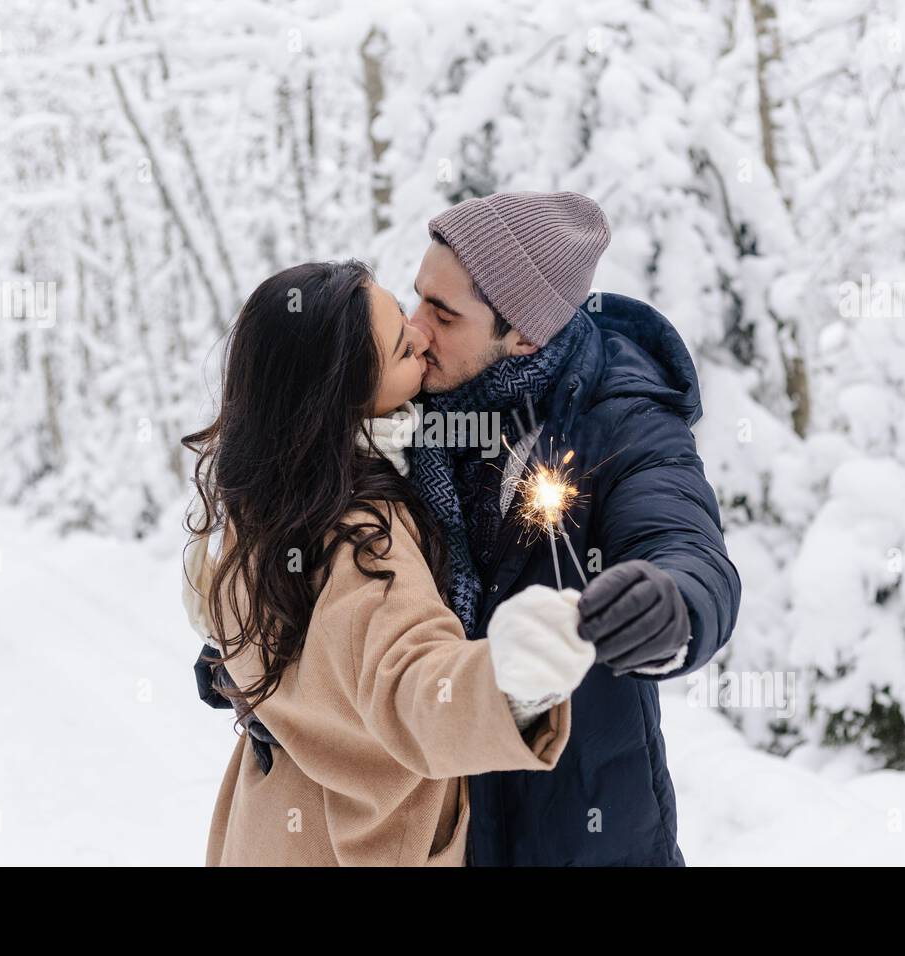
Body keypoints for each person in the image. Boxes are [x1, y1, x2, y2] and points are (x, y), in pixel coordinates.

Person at [181, 259, 595, 866]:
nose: (423, 336)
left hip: (268, 832)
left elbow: (315, 651)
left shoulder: (268, 491)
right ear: (342, 396)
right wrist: (513, 677)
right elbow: (413, 685)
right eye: (404, 346)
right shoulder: (364, 535)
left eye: (405, 312)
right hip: (346, 845)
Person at [405, 190, 742, 866]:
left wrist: (670, 603)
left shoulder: (622, 419)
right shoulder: (399, 405)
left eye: (444, 313)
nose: (415, 328)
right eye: (416, 298)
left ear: (526, 334)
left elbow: (684, 542)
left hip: (582, 829)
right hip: (433, 828)